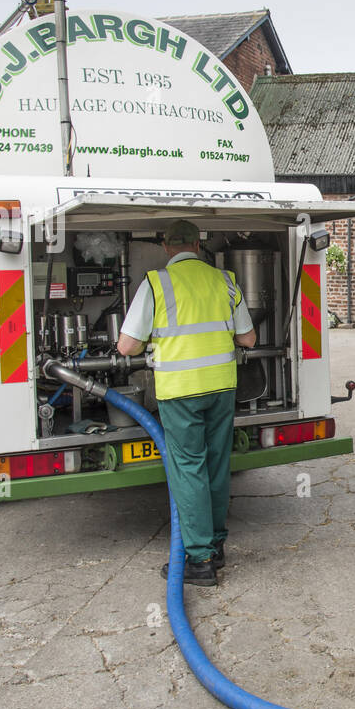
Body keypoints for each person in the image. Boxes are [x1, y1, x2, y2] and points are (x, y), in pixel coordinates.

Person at [117, 220, 257, 586]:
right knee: (215, 464)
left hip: (179, 391)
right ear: (198, 244)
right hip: (222, 388)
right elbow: (249, 339)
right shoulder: (225, 280)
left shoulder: (156, 283)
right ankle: (217, 546)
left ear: (166, 245)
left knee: (189, 468)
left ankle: (199, 560)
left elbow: (126, 347)